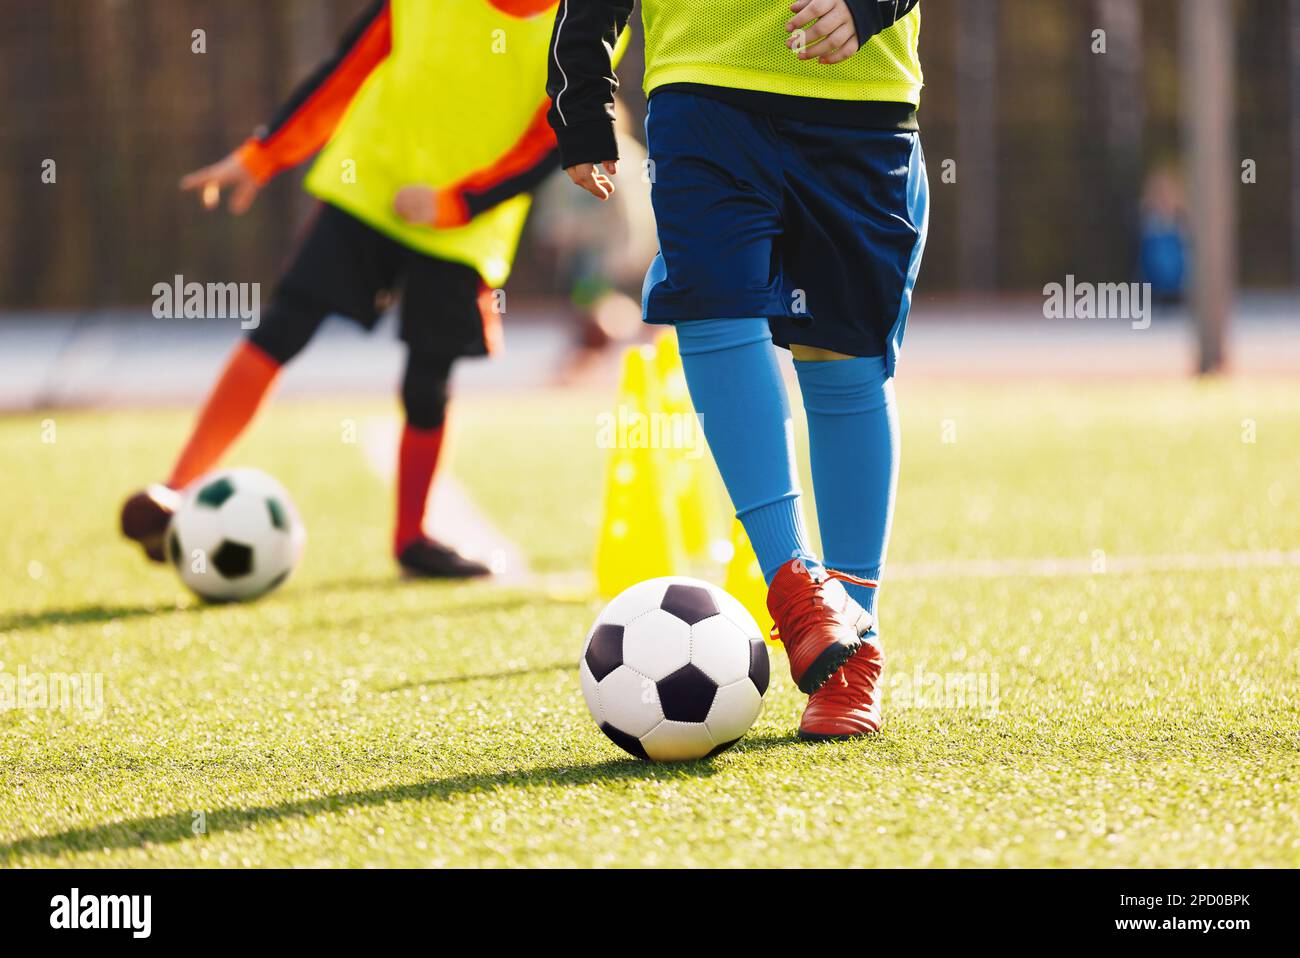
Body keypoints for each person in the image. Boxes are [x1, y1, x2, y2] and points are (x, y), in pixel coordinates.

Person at [547, 0, 928, 738]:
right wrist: (584, 90)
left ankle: (855, 646)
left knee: (844, 361)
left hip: (861, 93)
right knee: (712, 306)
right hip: (703, 83)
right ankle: (793, 580)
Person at [121, 0, 568, 579]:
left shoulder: (583, 19)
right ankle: (175, 493)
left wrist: (458, 202)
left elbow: (559, 131)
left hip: (464, 224)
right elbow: (345, 71)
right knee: (283, 325)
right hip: (371, 186)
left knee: (428, 379)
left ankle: (413, 539)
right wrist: (262, 155)